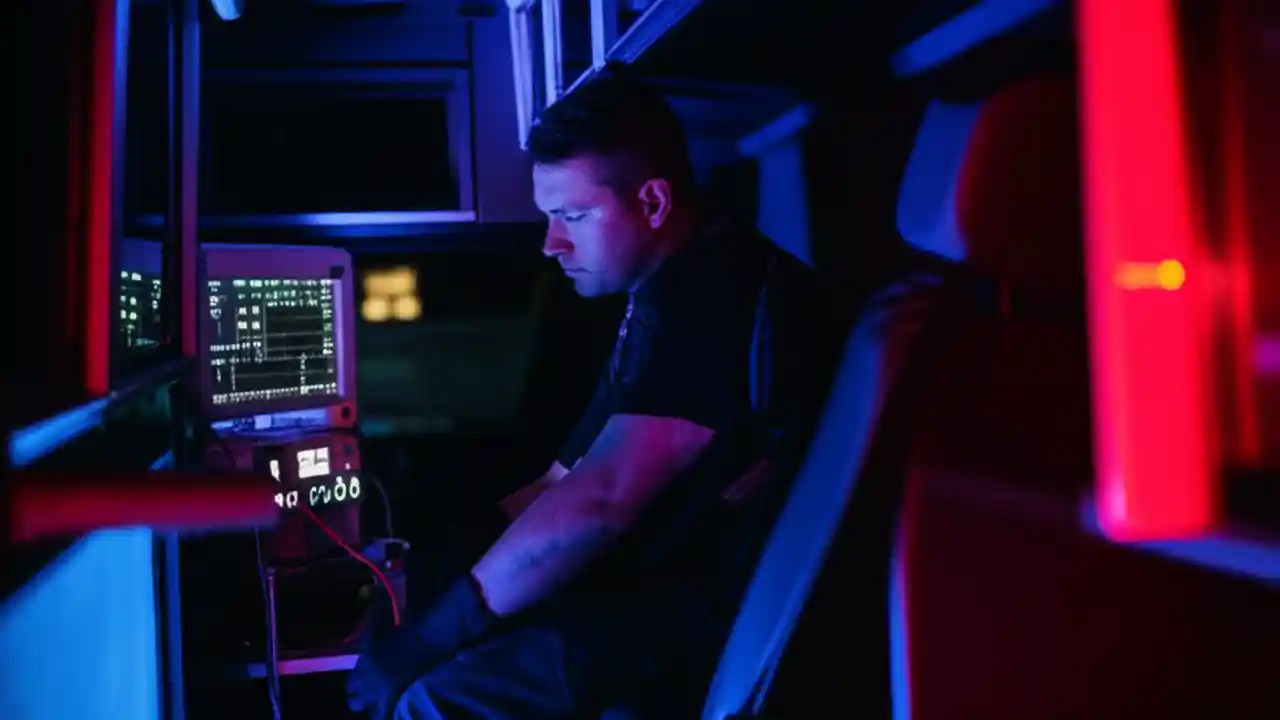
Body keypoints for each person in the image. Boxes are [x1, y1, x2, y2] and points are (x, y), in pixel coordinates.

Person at [346, 70, 839, 719]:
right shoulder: (663, 292)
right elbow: (560, 479)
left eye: (572, 215)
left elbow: (603, 497)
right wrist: (441, 571)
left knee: (432, 701)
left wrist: (432, 638)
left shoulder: (709, 298)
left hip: (701, 607)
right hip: (658, 585)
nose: (551, 243)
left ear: (654, 203)